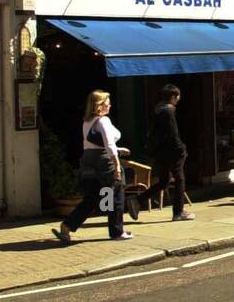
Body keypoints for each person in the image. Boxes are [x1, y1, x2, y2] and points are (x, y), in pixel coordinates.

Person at [53, 90, 131, 242]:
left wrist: (118, 149)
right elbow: (108, 144)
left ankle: (67, 226)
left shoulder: (87, 121)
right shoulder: (103, 121)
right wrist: (116, 167)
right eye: (107, 104)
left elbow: (91, 143)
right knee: (116, 195)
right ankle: (116, 231)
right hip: (104, 163)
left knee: (94, 197)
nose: (110, 106)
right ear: (99, 106)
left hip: (89, 161)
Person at [138, 84, 195, 221]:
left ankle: (137, 200)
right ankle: (178, 212)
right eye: (178, 96)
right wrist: (182, 148)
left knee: (164, 181)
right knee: (180, 179)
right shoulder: (169, 112)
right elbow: (173, 134)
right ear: (173, 97)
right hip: (172, 152)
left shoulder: (157, 110)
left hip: (160, 152)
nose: (179, 99)